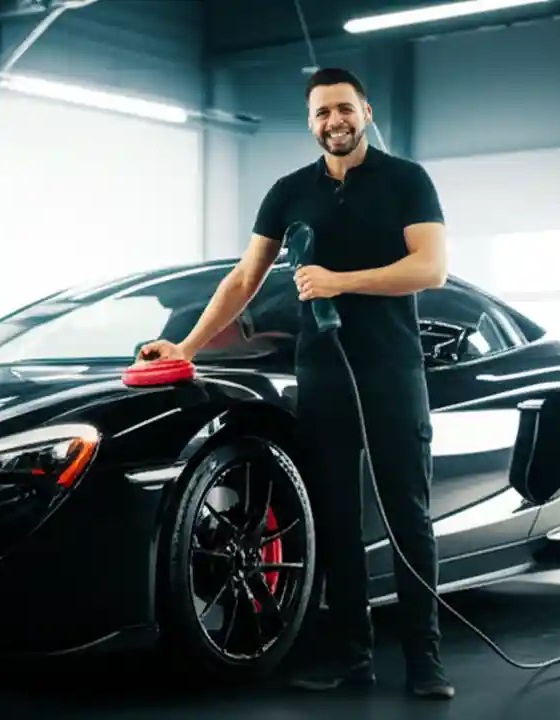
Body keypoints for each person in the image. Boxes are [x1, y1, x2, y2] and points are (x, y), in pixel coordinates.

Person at [135, 67, 453, 700]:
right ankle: (353, 659)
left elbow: (431, 268)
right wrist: (187, 347)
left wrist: (340, 281)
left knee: (408, 516)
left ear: (365, 111)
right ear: (310, 124)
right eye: (320, 114)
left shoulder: (407, 181)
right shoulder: (288, 192)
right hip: (324, 373)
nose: (333, 121)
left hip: (392, 371)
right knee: (334, 516)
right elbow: (243, 279)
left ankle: (425, 662)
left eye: (343, 109)